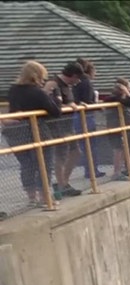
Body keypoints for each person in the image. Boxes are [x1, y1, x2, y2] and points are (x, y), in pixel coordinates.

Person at [3, 60, 62, 205]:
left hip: (16, 132)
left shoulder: (14, 89)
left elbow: (14, 110)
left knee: (27, 164)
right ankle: (45, 197)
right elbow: (55, 112)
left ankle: (31, 197)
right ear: (37, 76)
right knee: (44, 163)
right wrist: (53, 97)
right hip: (37, 131)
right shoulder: (37, 92)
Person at [42, 62, 84, 197]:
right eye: (78, 78)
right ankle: (61, 184)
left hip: (67, 125)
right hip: (56, 126)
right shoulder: (54, 84)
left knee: (76, 152)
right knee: (61, 155)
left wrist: (76, 104)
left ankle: (64, 181)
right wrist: (68, 105)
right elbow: (49, 102)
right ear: (73, 76)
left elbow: (67, 101)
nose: (78, 81)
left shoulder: (67, 86)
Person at [72, 58, 104, 179]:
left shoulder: (77, 82)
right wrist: (97, 105)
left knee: (85, 145)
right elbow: (88, 101)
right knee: (91, 145)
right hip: (86, 116)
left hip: (79, 116)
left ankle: (90, 169)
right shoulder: (86, 83)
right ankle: (92, 170)